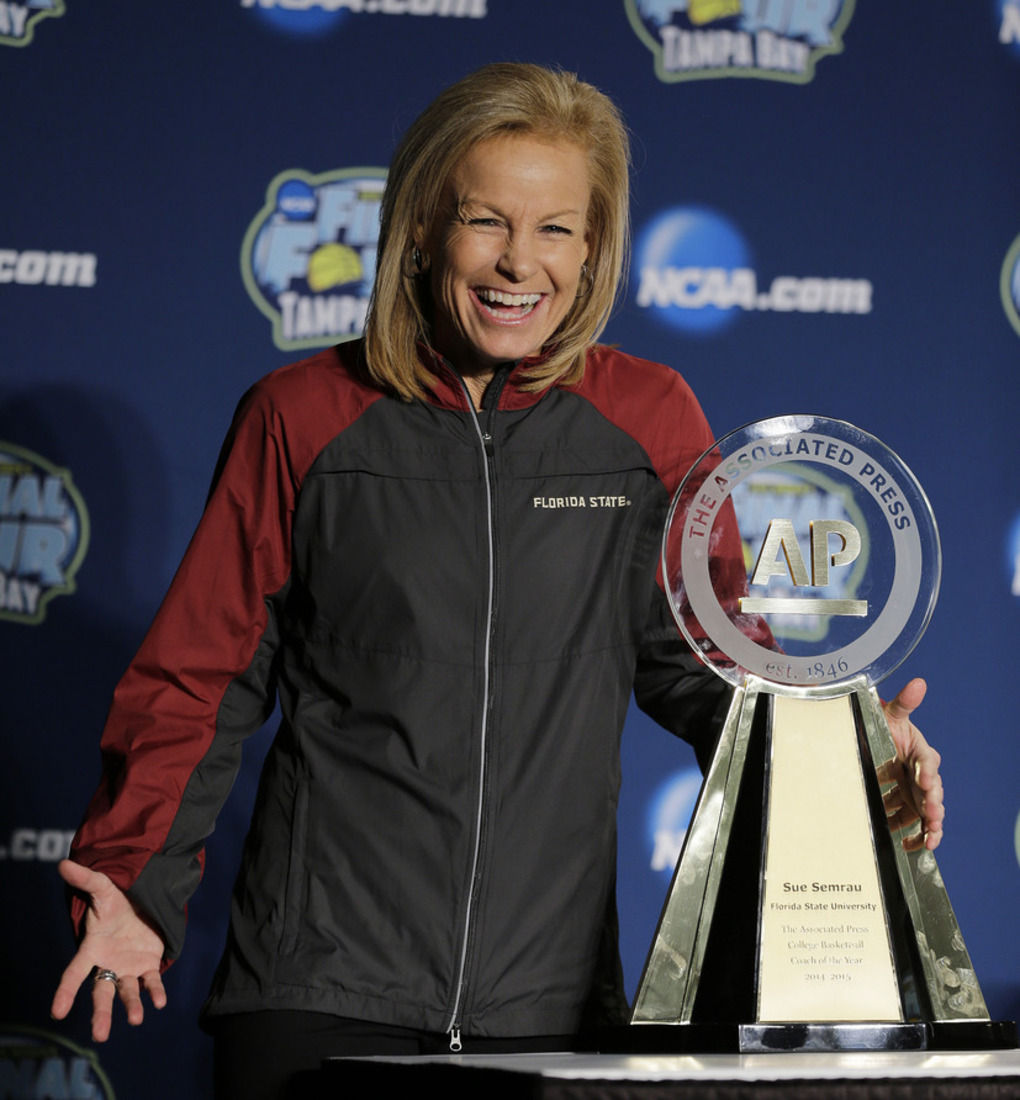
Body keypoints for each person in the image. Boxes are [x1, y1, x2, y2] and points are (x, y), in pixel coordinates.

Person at [50, 63, 945, 1096]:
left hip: (554, 1008)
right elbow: (198, 682)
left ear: (595, 247)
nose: (520, 261)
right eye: (487, 220)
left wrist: (850, 753)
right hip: (318, 993)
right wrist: (129, 885)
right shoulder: (301, 414)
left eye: (557, 228)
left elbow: (720, 672)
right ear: (423, 229)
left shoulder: (648, 419)